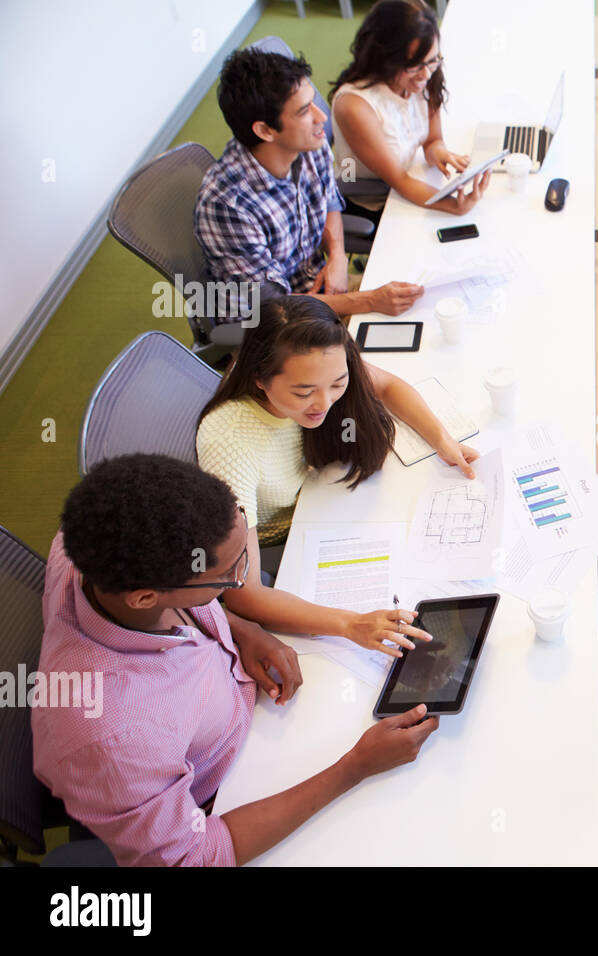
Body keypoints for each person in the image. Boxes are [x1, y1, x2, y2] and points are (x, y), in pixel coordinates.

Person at [32, 454, 439, 866]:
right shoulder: (114, 737)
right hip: (226, 790)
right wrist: (354, 767)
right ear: (145, 598)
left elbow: (182, 591)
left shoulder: (86, 542)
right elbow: (193, 858)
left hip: (257, 709)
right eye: (229, 575)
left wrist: (241, 629)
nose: (245, 577)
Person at [196, 294, 477, 651]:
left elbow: (388, 386)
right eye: (304, 392)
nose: (326, 403)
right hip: (278, 542)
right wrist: (350, 624)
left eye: (337, 384)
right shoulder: (230, 440)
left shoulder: (319, 365)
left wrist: (442, 439)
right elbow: (243, 595)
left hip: (318, 502)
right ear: (259, 380)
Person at [195, 48, 424, 321]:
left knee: (420, 301)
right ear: (265, 130)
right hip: (276, 324)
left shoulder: (308, 145)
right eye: (304, 111)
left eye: (313, 102)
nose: (321, 118)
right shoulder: (228, 205)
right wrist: (369, 300)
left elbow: (328, 200)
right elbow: (274, 306)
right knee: (390, 342)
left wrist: (338, 256)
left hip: (320, 285)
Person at [330, 0, 490, 221]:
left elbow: (432, 140)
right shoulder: (355, 106)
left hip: (407, 182)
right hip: (371, 199)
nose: (426, 75)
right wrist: (455, 205)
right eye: (414, 66)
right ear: (385, 58)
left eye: (432, 61)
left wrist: (439, 152)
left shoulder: (426, 72)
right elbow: (399, 180)